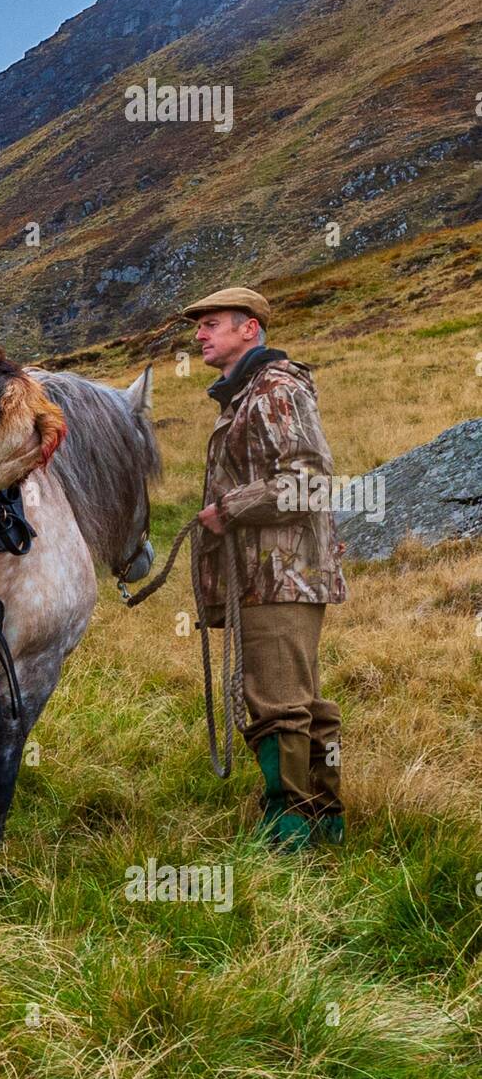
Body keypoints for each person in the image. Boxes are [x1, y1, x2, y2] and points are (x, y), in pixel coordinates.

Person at [182, 287, 346, 849]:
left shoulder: (275, 389)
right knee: (300, 697)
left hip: (282, 571)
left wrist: (230, 508)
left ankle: (290, 828)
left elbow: (308, 480)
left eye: (211, 325)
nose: (199, 335)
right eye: (198, 326)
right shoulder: (246, 394)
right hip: (271, 571)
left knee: (277, 701)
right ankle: (326, 817)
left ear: (249, 328)